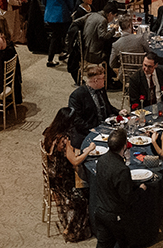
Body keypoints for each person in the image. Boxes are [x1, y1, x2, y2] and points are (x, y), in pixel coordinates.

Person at [43, 107, 92, 242]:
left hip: (53, 176)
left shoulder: (50, 132)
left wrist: (76, 151)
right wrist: (88, 150)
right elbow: (75, 161)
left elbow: (65, 154)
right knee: (85, 195)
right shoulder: (64, 139)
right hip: (62, 182)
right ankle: (71, 228)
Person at [91, 129, 137, 248]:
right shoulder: (122, 170)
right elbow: (127, 197)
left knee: (103, 244)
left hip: (100, 211)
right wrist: (141, 190)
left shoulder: (101, 160)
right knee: (125, 244)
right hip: (115, 216)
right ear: (124, 146)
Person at [68, 64, 119, 144]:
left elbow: (107, 106)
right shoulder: (77, 96)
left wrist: (119, 112)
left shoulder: (101, 90)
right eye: (103, 78)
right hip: (88, 133)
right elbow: (77, 121)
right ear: (95, 81)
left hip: (105, 127)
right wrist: (95, 130)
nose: (105, 81)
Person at [43, 0, 74, 67]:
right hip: (61, 15)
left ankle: (61, 52)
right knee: (57, 36)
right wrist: (72, 10)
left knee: (57, 35)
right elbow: (69, 1)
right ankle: (50, 59)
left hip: (49, 13)